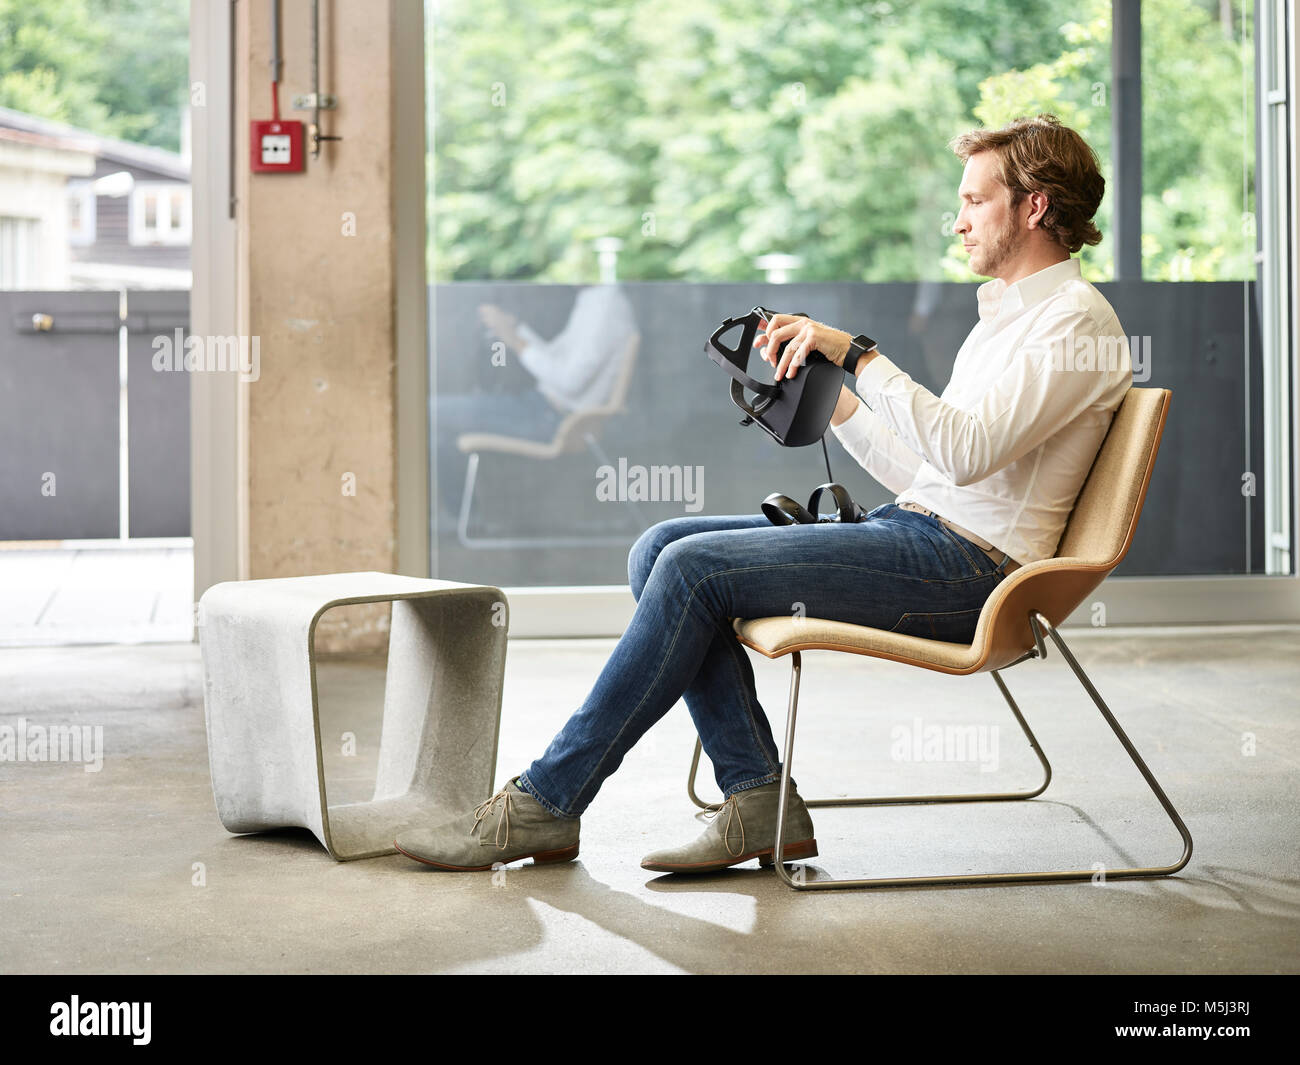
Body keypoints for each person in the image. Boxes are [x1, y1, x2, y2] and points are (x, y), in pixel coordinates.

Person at [395, 114, 1133, 874]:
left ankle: (547, 802)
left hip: (974, 575)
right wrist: (831, 397)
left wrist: (857, 352)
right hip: (922, 531)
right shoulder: (1008, 320)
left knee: (692, 572)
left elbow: (965, 453)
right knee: (659, 548)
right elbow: (928, 475)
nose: (959, 221)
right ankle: (758, 800)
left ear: (1035, 205)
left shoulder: (1076, 323)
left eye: (976, 201)